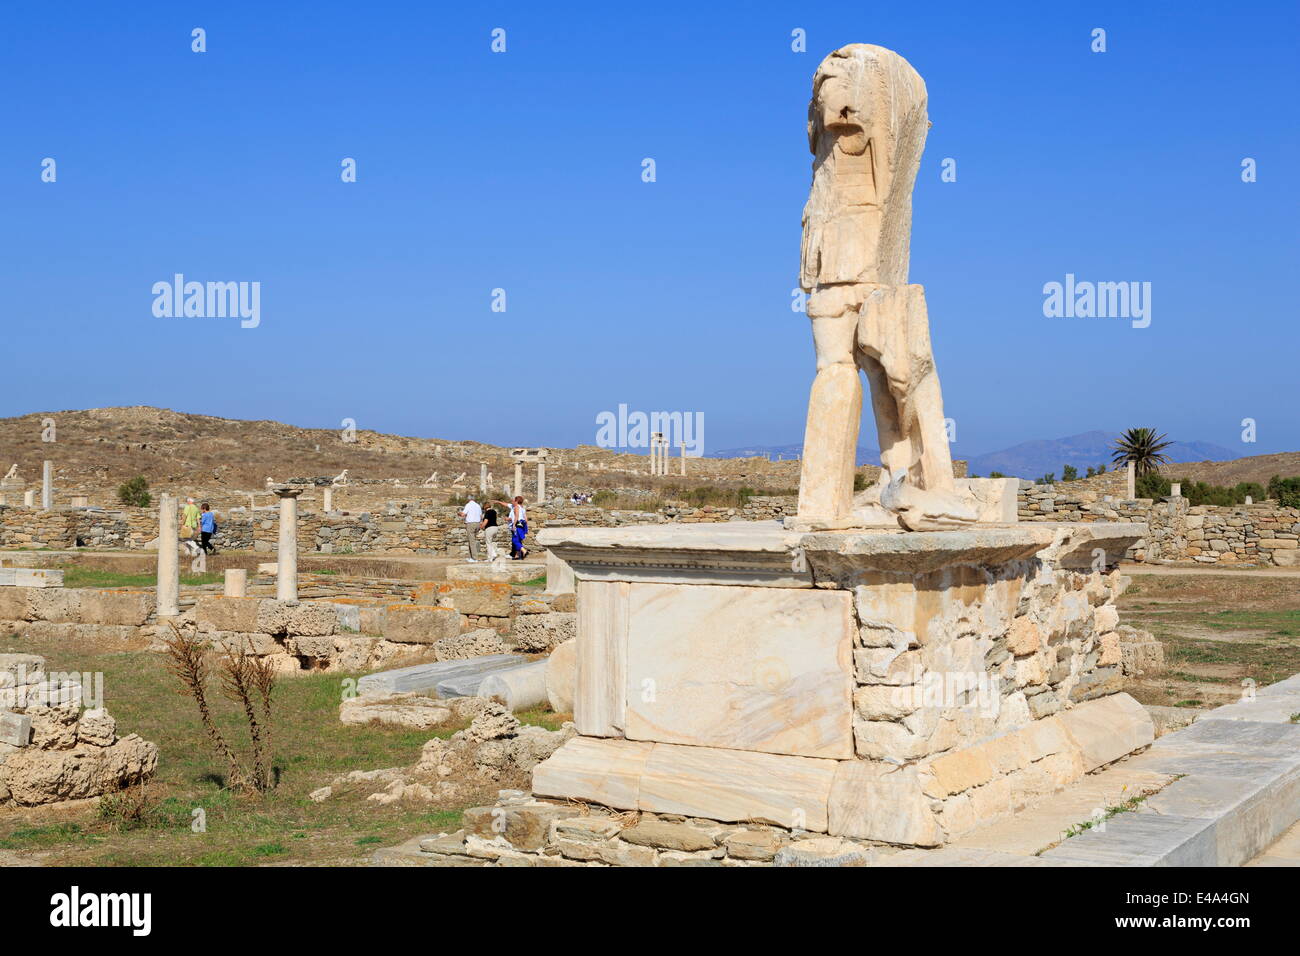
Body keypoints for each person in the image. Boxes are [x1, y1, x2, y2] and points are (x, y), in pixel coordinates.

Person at [494, 495, 529, 560]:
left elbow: (516, 516)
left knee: (515, 540)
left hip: (517, 525)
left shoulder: (516, 507)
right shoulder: (522, 508)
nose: (512, 501)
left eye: (514, 500)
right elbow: (526, 519)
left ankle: (524, 551)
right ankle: (518, 555)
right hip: (521, 525)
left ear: (516, 501)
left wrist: (514, 525)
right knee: (518, 540)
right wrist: (525, 527)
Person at [459, 495, 483, 561]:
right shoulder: (478, 505)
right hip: (477, 523)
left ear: (469, 499)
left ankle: (475, 558)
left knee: (471, 541)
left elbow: (463, 514)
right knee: (472, 540)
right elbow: (481, 516)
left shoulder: (468, 505)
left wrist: (459, 513)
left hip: (471, 524)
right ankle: (471, 557)